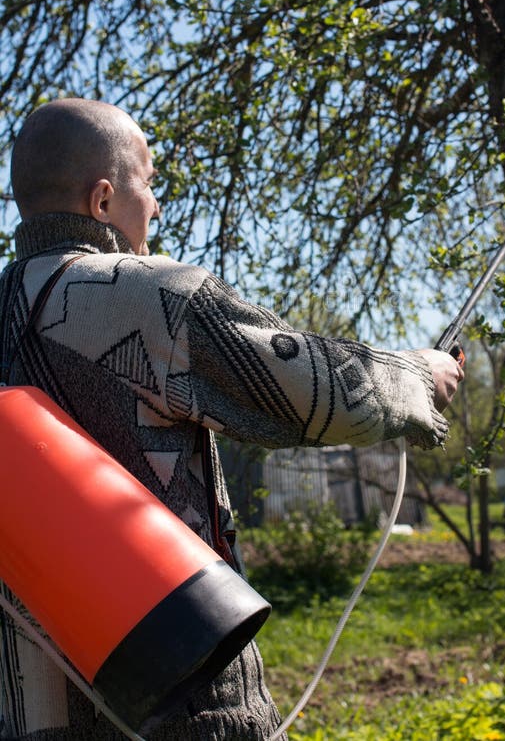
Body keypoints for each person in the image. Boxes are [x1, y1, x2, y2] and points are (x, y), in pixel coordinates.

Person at [0, 98, 463, 740]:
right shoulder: (143, 295)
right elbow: (303, 387)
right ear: (103, 200)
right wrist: (417, 376)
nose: (156, 207)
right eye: (150, 183)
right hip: (185, 712)